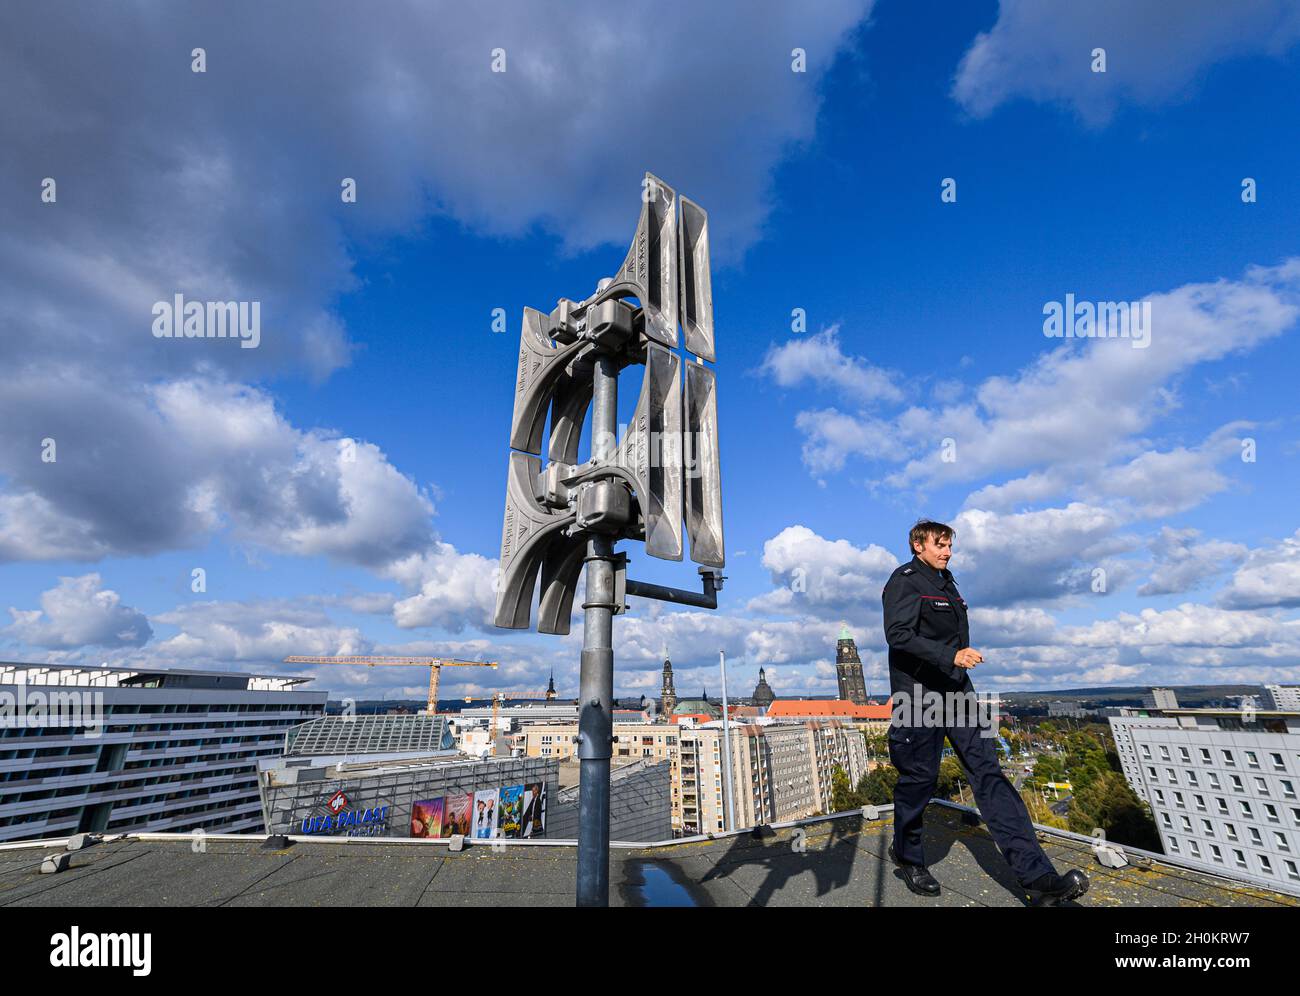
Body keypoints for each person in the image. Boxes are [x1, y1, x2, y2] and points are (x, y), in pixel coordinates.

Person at [882, 519, 1089, 906]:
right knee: (918, 782)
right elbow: (898, 635)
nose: (946, 552)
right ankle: (908, 857)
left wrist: (957, 663)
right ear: (917, 545)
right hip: (918, 699)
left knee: (990, 775)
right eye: (939, 545)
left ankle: (1039, 878)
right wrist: (952, 655)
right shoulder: (904, 581)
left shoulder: (949, 584)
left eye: (949, 546)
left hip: (958, 695)